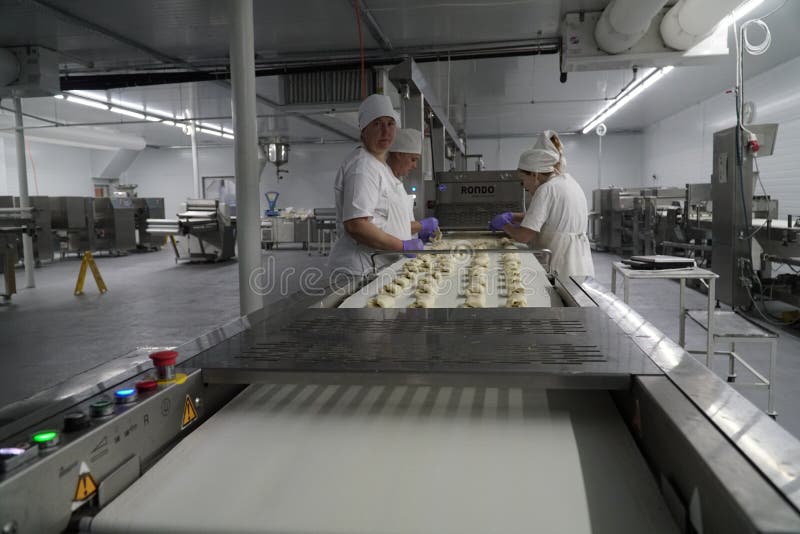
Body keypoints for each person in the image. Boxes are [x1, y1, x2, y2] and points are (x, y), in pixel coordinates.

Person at [328, 95, 437, 276]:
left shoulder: (379, 167)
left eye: (390, 123)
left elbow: (384, 220)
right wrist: (402, 245)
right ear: (364, 129)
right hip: (360, 269)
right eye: (377, 124)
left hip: (377, 264)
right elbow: (356, 225)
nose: (386, 132)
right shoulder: (362, 167)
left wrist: (410, 232)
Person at [489, 132, 594, 278]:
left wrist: (504, 225)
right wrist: (513, 216)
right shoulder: (568, 182)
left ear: (534, 174)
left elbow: (523, 236)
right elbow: (548, 217)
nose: (524, 186)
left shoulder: (546, 190)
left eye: (523, 180)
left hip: (560, 266)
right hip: (579, 264)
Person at [386, 128, 439, 242]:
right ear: (399, 154)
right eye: (413, 159)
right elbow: (378, 227)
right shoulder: (381, 180)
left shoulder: (397, 183)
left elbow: (399, 221)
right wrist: (420, 226)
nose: (415, 166)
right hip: (382, 255)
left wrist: (416, 234)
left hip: (397, 253)